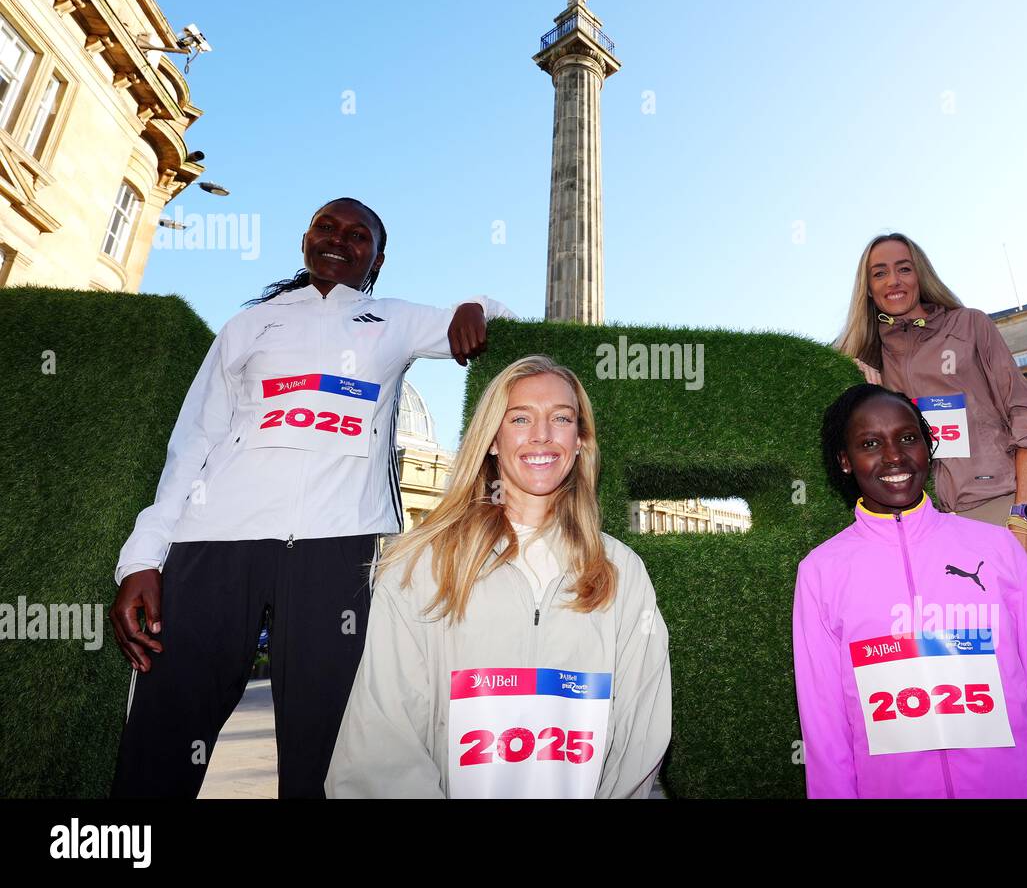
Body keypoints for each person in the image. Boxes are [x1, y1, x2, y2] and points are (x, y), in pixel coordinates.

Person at [109, 197, 513, 798]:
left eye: (357, 235)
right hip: (215, 541)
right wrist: (142, 556)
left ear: (376, 258)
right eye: (326, 227)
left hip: (338, 549)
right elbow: (192, 442)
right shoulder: (247, 325)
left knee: (325, 746)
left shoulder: (394, 320)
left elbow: (495, 319)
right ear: (304, 238)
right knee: (163, 733)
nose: (338, 240)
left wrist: (478, 305)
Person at [326, 355, 671, 798]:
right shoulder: (420, 567)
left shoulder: (622, 572)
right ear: (492, 439)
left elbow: (640, 734)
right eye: (521, 418)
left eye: (561, 418)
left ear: (581, 440)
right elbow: (382, 744)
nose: (542, 435)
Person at [793, 383, 1027, 798]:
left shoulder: (998, 549)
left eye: (908, 438)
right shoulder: (820, 571)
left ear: (929, 446)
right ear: (845, 461)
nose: (894, 456)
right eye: (870, 443)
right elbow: (824, 725)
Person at [835, 232, 1027, 617]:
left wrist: (1023, 517)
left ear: (920, 275)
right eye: (880, 273)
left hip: (995, 511)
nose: (893, 280)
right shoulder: (863, 358)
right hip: (919, 526)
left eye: (903, 269)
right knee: (962, 662)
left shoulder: (970, 326)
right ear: (869, 288)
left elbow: (1026, 419)